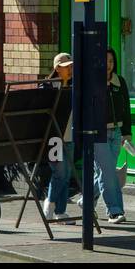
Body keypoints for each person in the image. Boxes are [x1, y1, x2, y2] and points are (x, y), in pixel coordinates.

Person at [93, 47, 134, 224]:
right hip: (98, 133)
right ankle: (115, 211)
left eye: (111, 61)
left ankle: (85, 201)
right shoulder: (93, 83)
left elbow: (126, 109)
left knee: (105, 172)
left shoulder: (120, 82)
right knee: (108, 172)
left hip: (116, 133)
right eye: (105, 61)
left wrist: (127, 133)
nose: (108, 65)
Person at [41, 52, 74, 222]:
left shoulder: (74, 87)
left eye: (71, 66)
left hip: (69, 135)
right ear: (57, 69)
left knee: (67, 174)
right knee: (59, 172)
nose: (70, 69)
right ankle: (50, 201)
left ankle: (61, 211)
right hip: (53, 137)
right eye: (66, 67)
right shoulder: (47, 88)